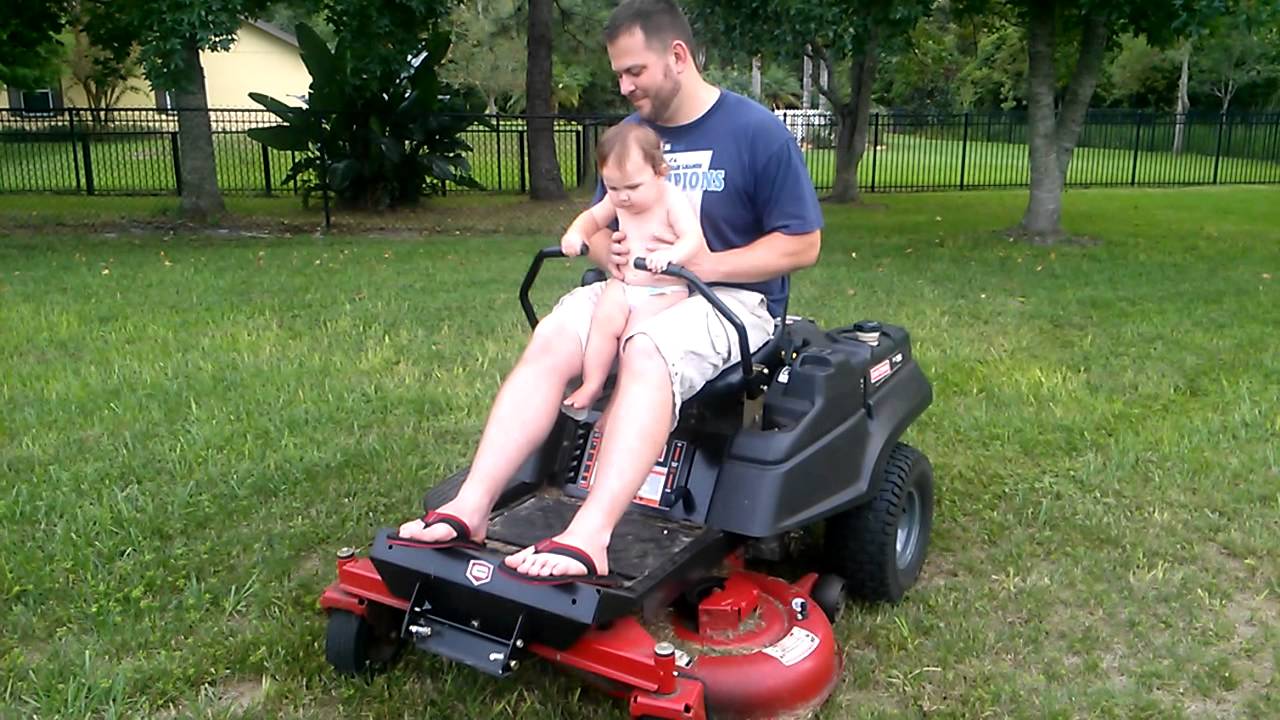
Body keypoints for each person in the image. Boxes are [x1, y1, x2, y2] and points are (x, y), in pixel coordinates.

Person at [398, 0, 823, 581]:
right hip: (633, 286)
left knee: (646, 348)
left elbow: (802, 245)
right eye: (618, 74)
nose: (623, 86)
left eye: (634, 72)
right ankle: (471, 506)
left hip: (730, 299)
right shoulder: (627, 138)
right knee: (551, 338)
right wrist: (606, 252)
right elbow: (604, 225)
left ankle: (590, 535)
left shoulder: (756, 133)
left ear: (677, 57)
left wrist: (709, 261)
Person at [560, 122, 706, 414]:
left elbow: (694, 238)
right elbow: (590, 219)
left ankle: (621, 402)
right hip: (626, 283)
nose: (623, 196)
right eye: (613, 187)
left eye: (633, 187)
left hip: (665, 289)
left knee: (635, 337)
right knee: (603, 323)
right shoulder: (617, 201)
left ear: (659, 172)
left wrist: (672, 254)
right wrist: (575, 234)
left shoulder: (670, 198)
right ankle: (592, 384)